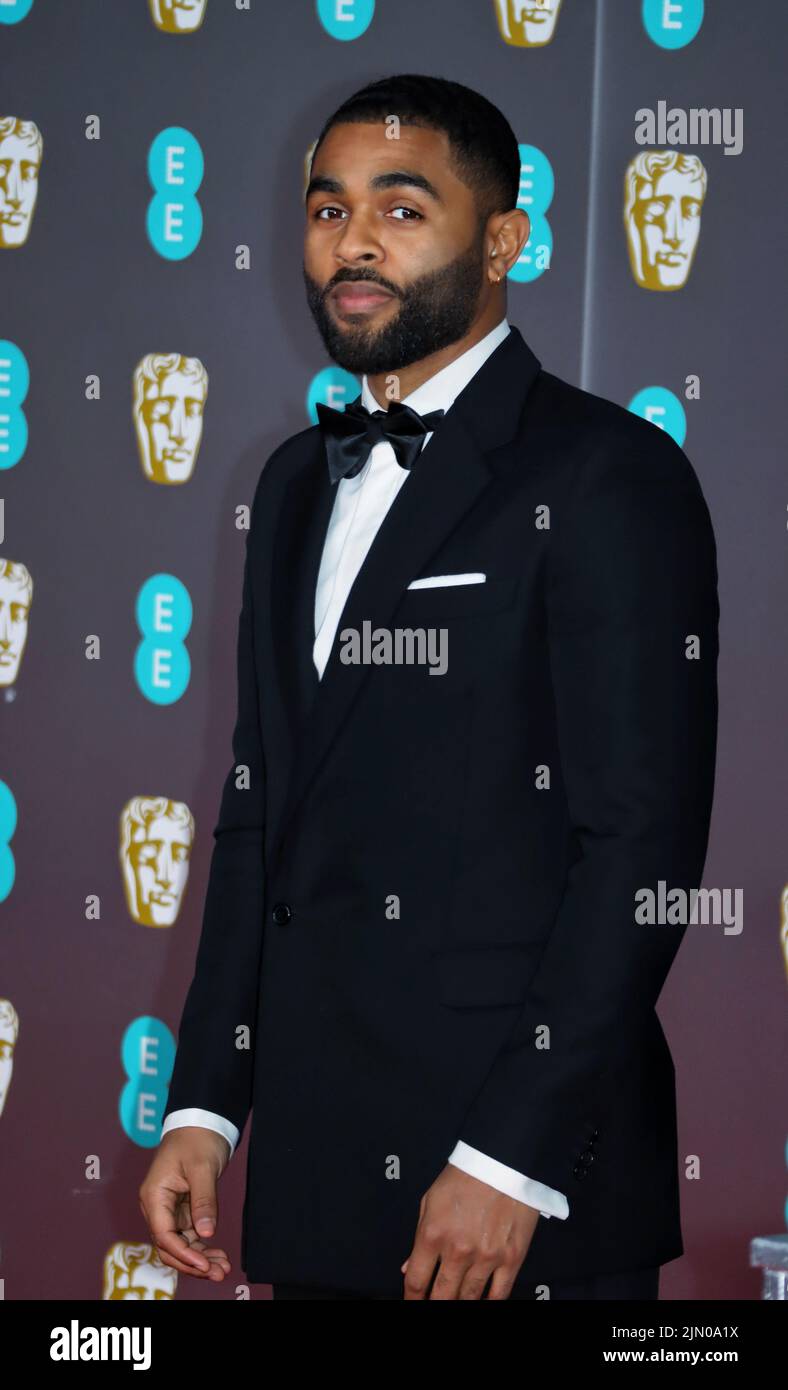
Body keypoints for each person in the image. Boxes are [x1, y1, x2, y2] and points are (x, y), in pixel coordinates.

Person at [139, 73, 719, 1301]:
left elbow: (637, 846)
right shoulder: (294, 482)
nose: (351, 240)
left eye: (400, 209)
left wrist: (510, 1158)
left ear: (503, 240)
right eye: (326, 207)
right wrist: (206, 1102)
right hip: (312, 1180)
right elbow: (259, 818)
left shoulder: (609, 473)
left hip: (515, 1198)